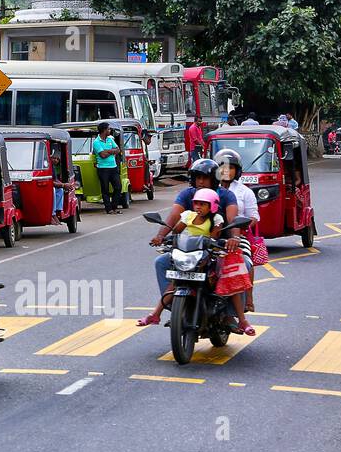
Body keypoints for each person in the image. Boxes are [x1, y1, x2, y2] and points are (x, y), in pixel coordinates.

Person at [139, 158, 241, 328]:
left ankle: (229, 314)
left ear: (214, 179)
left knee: (238, 266)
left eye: (205, 178)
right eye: (197, 177)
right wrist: (161, 236)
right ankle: (175, 308)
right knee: (161, 262)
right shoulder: (187, 194)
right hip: (190, 248)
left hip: (218, 246)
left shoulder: (226, 195)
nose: (200, 182)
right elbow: (174, 217)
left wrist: (234, 238)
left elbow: (233, 218)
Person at [214, 148, 265, 313]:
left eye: (230, 168)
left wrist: (238, 227)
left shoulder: (245, 192)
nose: (226, 171)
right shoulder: (209, 189)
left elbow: (253, 217)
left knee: (246, 264)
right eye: (222, 167)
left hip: (239, 235)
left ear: (237, 171)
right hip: (212, 234)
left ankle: (247, 300)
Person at [92, 121, 123, 214]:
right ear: (104, 130)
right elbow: (102, 155)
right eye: (108, 129)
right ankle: (108, 208)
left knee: (118, 187)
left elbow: (118, 150)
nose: (110, 130)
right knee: (105, 189)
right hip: (103, 168)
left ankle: (114, 206)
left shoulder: (110, 139)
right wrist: (112, 151)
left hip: (113, 167)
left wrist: (108, 151)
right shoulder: (96, 142)